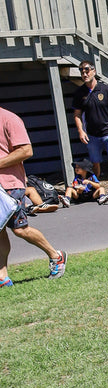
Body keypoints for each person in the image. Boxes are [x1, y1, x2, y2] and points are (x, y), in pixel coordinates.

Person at [0, 104, 66, 286]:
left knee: (20, 229)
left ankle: (56, 256)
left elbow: (26, 150)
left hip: (10, 185)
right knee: (0, 230)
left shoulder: (9, 119)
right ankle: (2, 277)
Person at [73, 60, 108, 201]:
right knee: (95, 163)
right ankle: (95, 191)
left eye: (87, 70)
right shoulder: (80, 93)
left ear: (94, 71)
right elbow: (77, 114)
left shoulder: (105, 89)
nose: (84, 74)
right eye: (81, 71)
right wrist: (81, 131)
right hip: (92, 135)